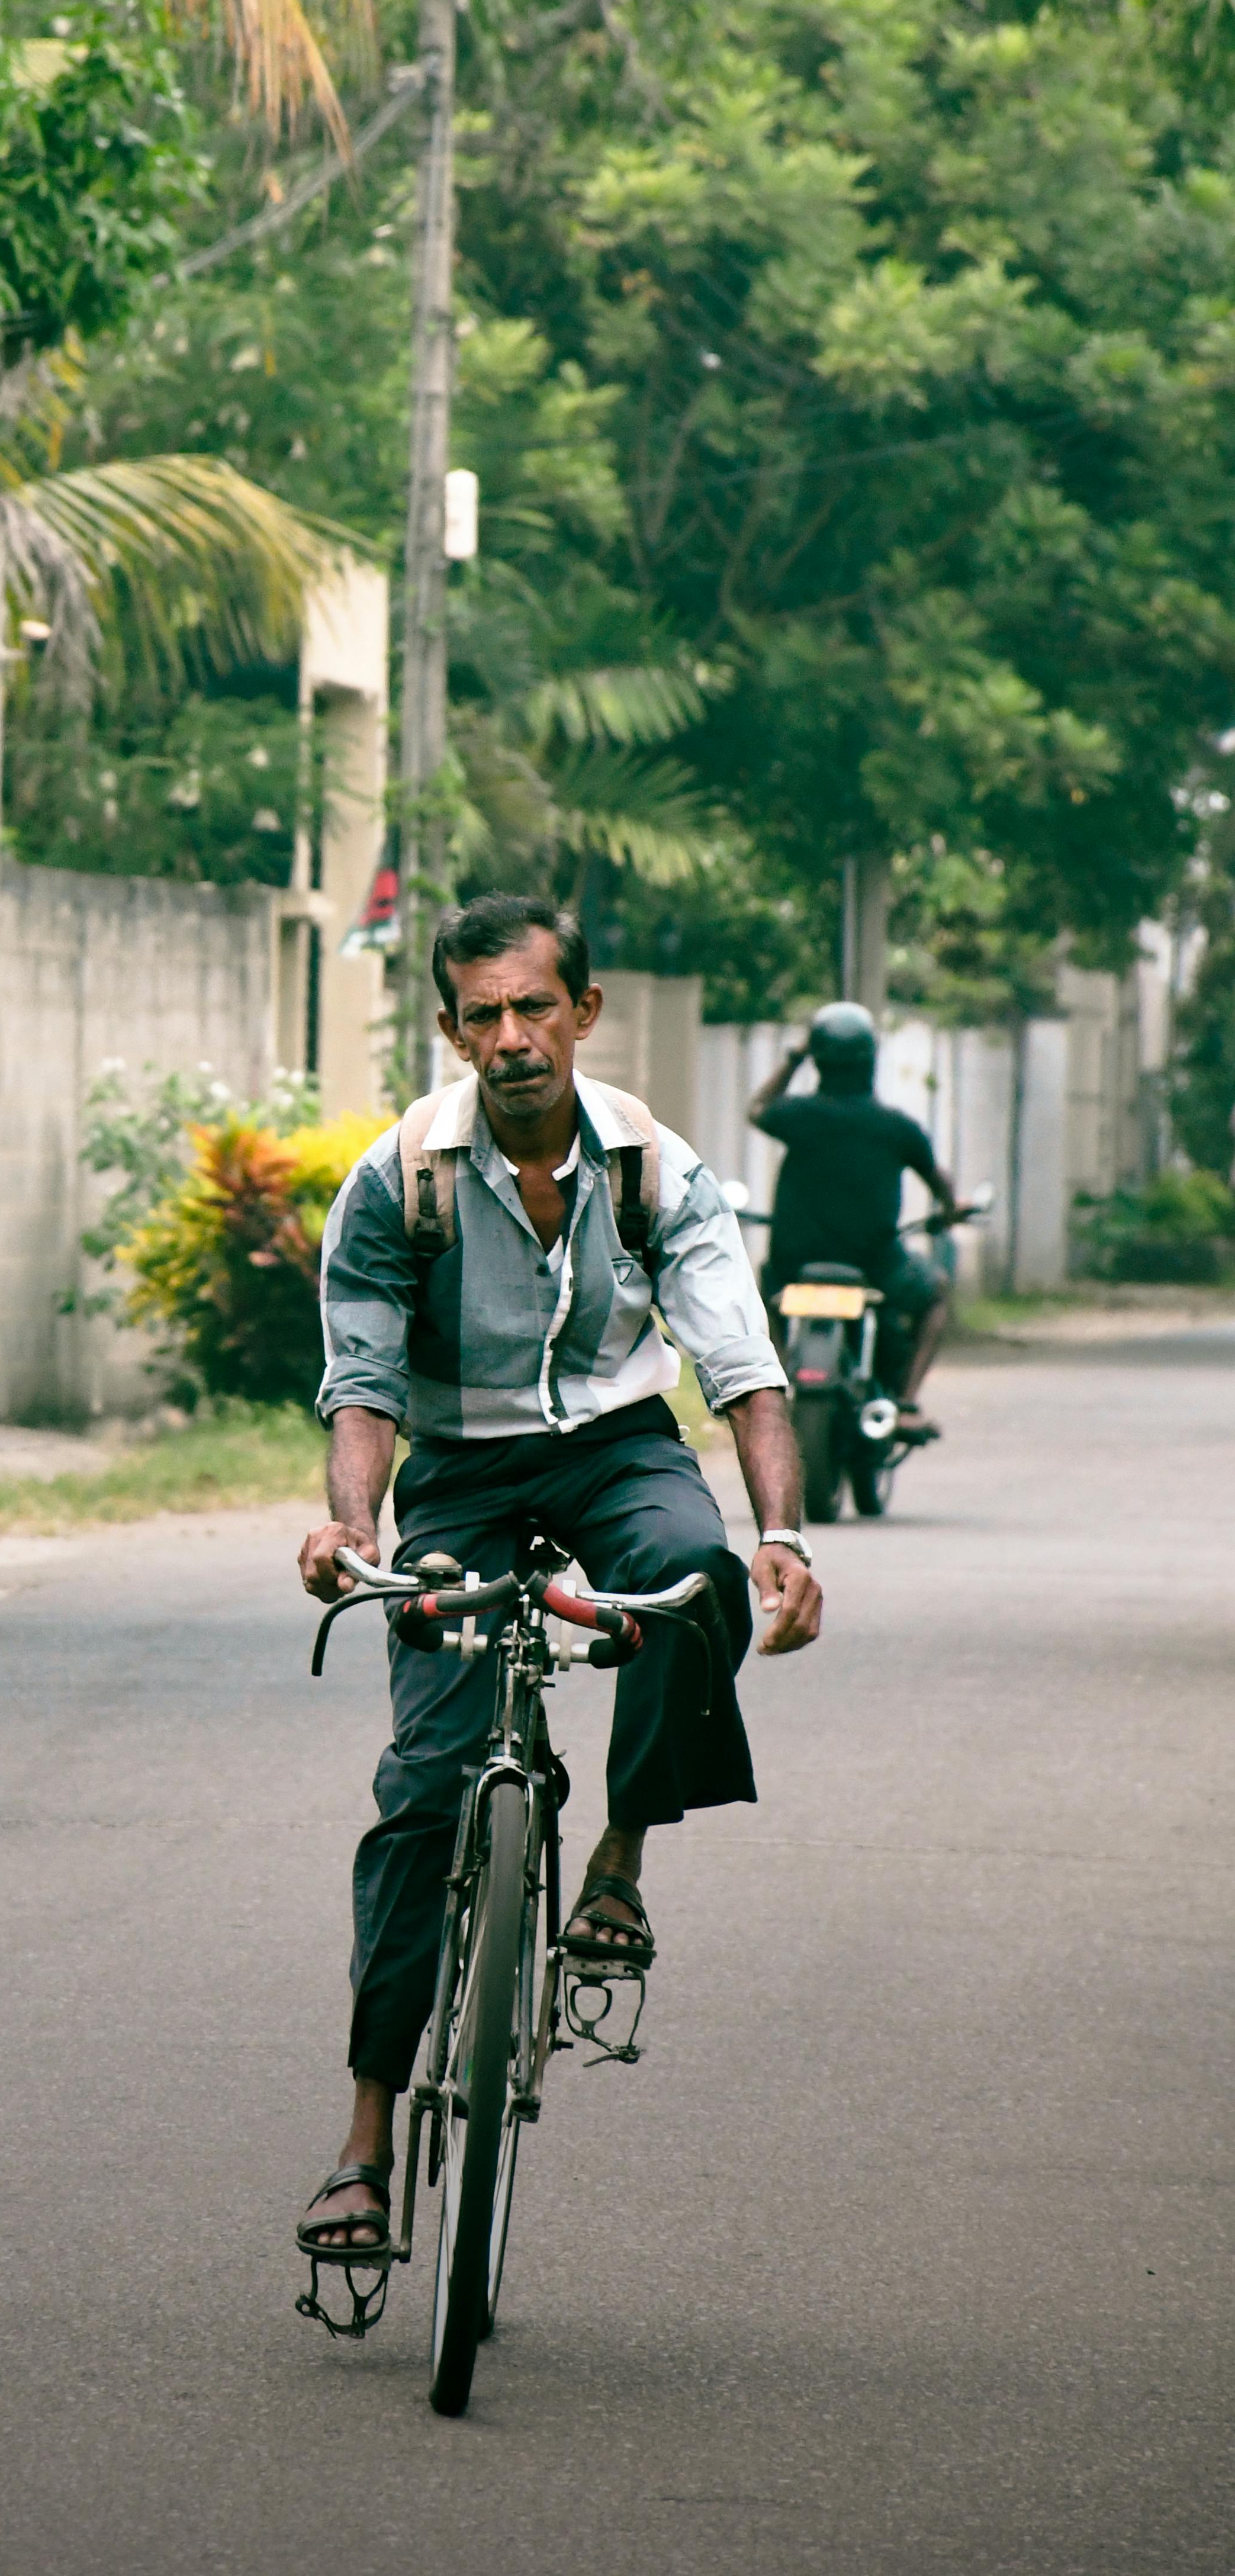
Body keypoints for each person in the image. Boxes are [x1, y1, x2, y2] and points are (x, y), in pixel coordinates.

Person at [295, 893, 822, 2257]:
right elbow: (360, 1378)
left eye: (534, 1005)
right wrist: (350, 1527)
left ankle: (616, 1860)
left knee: (690, 1575)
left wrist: (780, 1531)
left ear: (582, 1010)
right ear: (449, 1027)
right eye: (482, 1013)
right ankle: (363, 2134)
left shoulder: (654, 1167)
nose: (511, 1036)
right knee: (424, 1786)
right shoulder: (396, 1180)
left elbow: (741, 1365)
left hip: (614, 1447)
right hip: (459, 1469)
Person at [745, 1002, 965, 1443]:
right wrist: (951, 1208)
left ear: (818, 1060)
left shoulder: (796, 1117)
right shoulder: (897, 1128)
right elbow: (938, 1180)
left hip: (796, 1264)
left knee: (764, 1287)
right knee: (936, 1293)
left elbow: (758, 1107)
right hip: (875, 1266)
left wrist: (793, 1058)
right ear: (871, 1060)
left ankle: (778, 1383)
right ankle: (906, 1405)